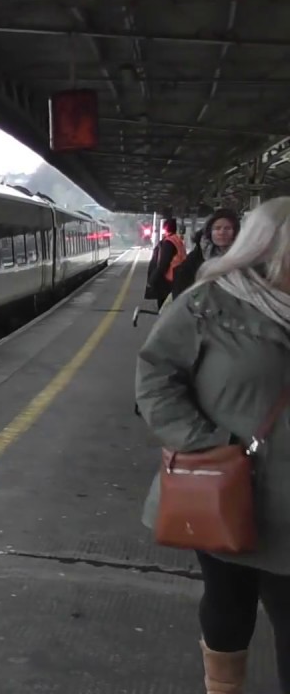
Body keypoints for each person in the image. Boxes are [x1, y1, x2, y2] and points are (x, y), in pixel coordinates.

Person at [136, 196, 290, 693]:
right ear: (271, 248)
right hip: (231, 485)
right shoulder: (207, 303)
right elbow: (156, 376)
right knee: (229, 603)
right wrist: (209, 445)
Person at [171, 209, 241, 299]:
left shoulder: (244, 257)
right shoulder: (196, 258)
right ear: (210, 232)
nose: (222, 232)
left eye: (227, 228)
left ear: (235, 232)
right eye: (217, 228)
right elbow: (181, 286)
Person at [145, 217, 186, 309]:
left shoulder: (168, 242)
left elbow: (163, 264)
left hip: (167, 282)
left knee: (164, 310)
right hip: (176, 279)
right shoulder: (177, 240)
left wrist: (152, 280)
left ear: (165, 228)